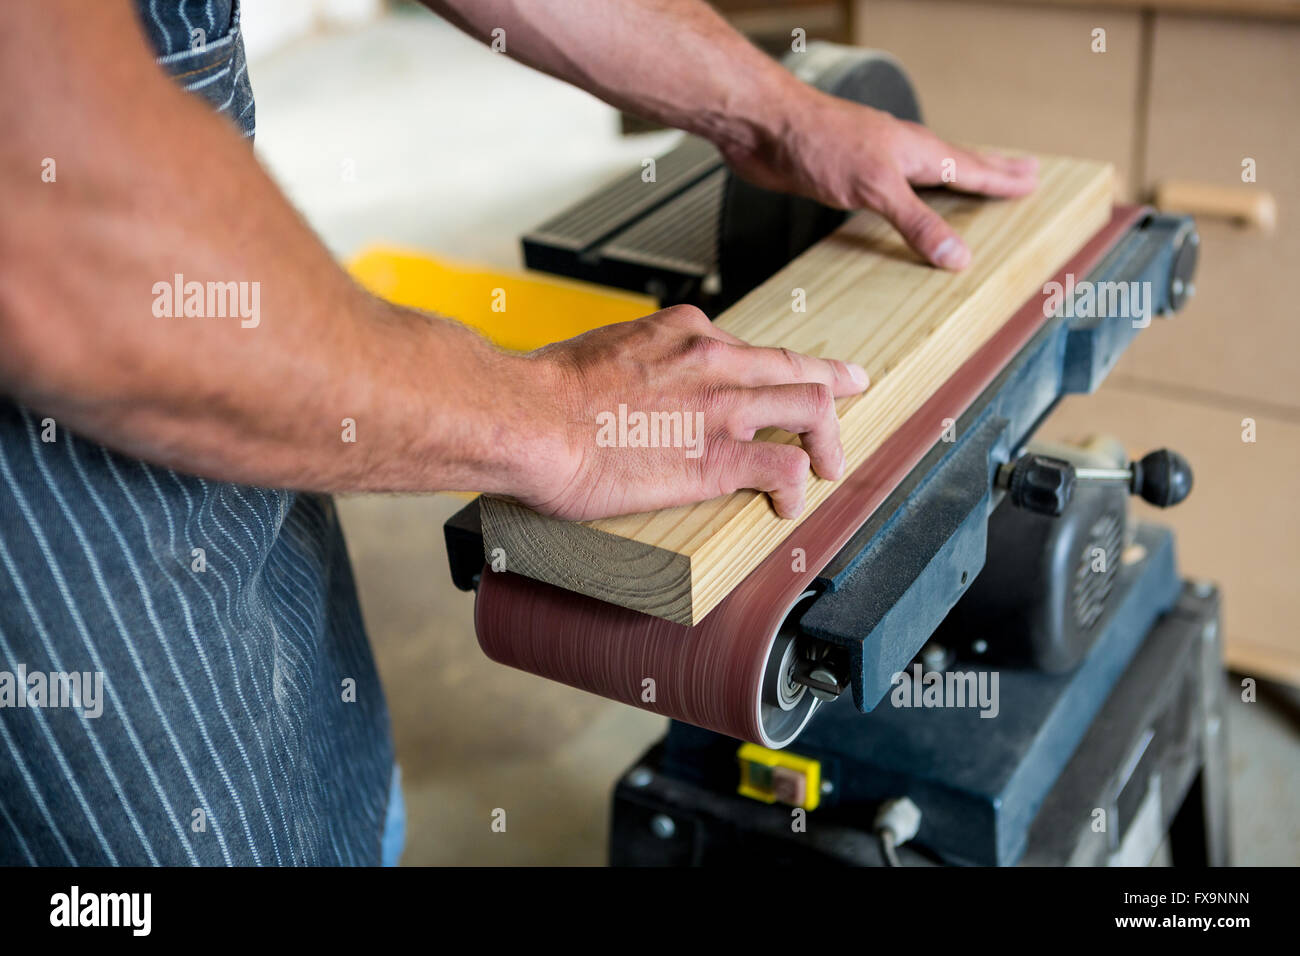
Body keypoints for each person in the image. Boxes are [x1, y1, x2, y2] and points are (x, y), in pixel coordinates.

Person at [0, 0, 1037, 865]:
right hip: (58, 573)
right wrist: (549, 420)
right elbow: (60, 236)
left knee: (323, 795)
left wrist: (773, 114)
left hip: (231, 484)